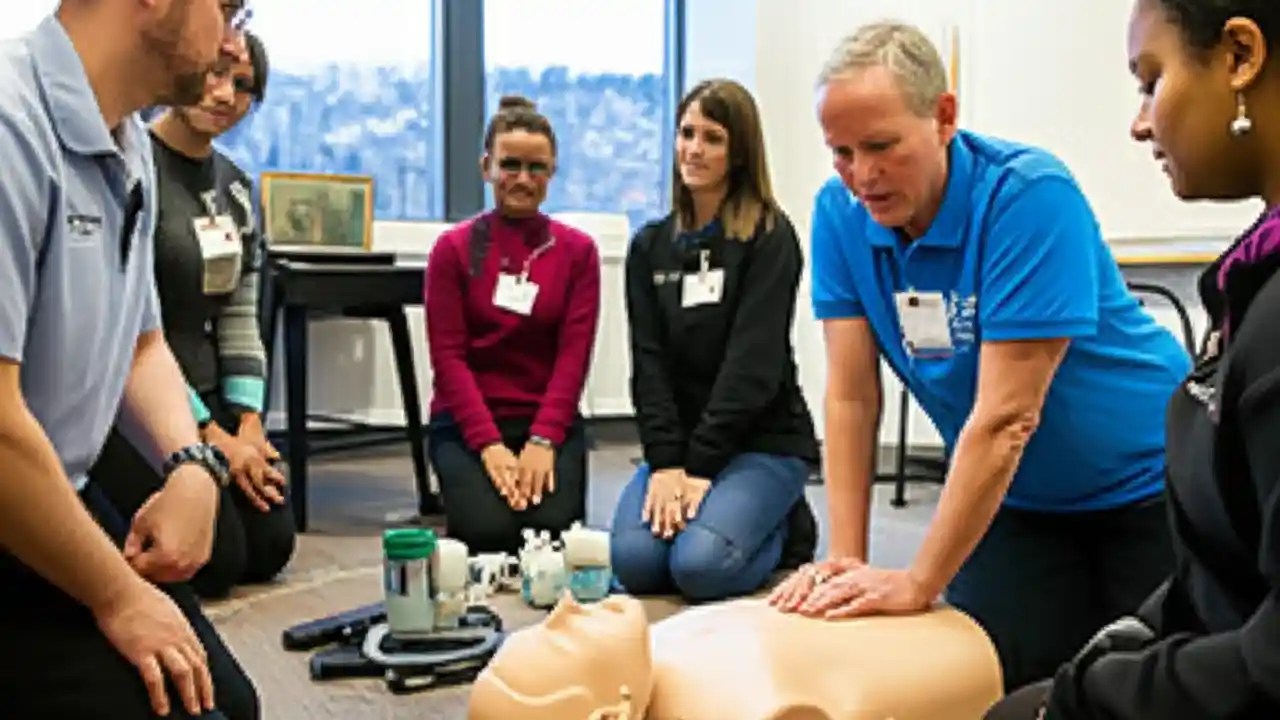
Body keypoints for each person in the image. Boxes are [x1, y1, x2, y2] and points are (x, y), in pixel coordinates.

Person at [767, 20, 1192, 691]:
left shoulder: (1027, 196)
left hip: (1150, 483)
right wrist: (846, 562)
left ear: (943, 117)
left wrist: (919, 580)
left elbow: (1007, 418)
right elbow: (851, 396)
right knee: (983, 679)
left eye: (881, 146)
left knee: (1144, 684)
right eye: (840, 152)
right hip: (1019, 499)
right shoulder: (839, 214)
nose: (862, 177)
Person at [986, 1, 1280, 717]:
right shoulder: (1253, 277)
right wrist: (1138, 635)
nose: (1140, 121)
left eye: (1151, 80)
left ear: (1240, 56)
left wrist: (1086, 696)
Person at [0, 2, 260, 719]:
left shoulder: (127, 142)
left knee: (233, 705)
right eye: (227, 11)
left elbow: (141, 339)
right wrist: (117, 597)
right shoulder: (9, 124)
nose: (235, 49)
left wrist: (193, 466)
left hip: (55, 485)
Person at [89, 30, 296, 601]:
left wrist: (248, 426)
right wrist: (209, 435)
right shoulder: (132, 167)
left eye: (244, 85)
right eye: (214, 73)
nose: (225, 94)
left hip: (218, 399)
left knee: (271, 543)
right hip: (141, 402)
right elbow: (131, 324)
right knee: (216, 560)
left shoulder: (235, 187)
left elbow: (238, 309)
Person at [609, 78, 821, 603]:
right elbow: (648, 365)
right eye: (686, 133)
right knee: (638, 565)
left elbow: (753, 366)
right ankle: (738, 514)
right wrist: (665, 464)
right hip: (681, 448)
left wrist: (700, 467)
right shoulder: (649, 246)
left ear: (740, 152)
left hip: (763, 442)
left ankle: (787, 526)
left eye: (713, 138)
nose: (694, 149)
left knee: (701, 569)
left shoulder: (769, 236)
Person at [425, 95, 601, 556]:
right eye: (511, 165)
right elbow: (449, 360)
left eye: (537, 168)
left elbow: (573, 358)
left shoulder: (578, 253)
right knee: (486, 532)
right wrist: (490, 447)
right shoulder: (452, 250)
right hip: (467, 423)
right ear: (486, 166)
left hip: (547, 420)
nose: (524, 179)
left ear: (553, 171)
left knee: (551, 527)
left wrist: (544, 440)